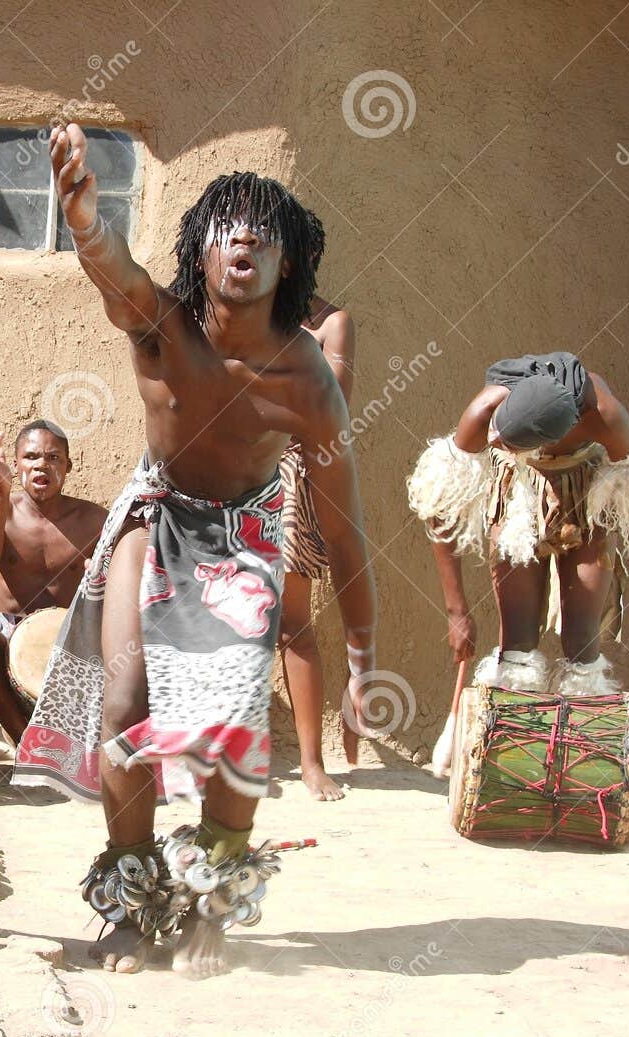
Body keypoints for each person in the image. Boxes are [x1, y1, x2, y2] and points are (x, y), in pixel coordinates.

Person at [15, 125, 377, 978]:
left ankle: (212, 902)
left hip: (246, 532)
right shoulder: (161, 329)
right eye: (225, 225)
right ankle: (135, 908)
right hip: (155, 511)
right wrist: (83, 220)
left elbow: (346, 526)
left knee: (236, 732)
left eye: (264, 229)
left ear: (289, 265)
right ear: (200, 252)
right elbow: (117, 271)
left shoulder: (307, 383)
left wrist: (362, 656)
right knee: (123, 706)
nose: (243, 236)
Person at [408, 352, 629, 713]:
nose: (494, 443)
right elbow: (440, 504)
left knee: (582, 643)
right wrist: (456, 610)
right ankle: (513, 756)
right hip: (517, 500)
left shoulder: (605, 417)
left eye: (507, 444)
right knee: (517, 649)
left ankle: (579, 755)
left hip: (589, 499)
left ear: (557, 435)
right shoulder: (485, 410)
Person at [276, 208, 359, 800]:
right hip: (229, 470)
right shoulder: (238, 317)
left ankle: (310, 761)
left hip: (289, 475)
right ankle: (217, 756)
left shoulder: (332, 324)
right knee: (215, 615)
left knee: (290, 619)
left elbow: (329, 410)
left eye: (296, 252)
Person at [0, 420, 106, 744]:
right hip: (10, 632)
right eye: (31, 457)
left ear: (69, 466)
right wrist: (0, 495)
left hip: (72, 637)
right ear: (15, 465)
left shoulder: (96, 520)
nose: (42, 464)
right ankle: (24, 740)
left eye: (54, 458)